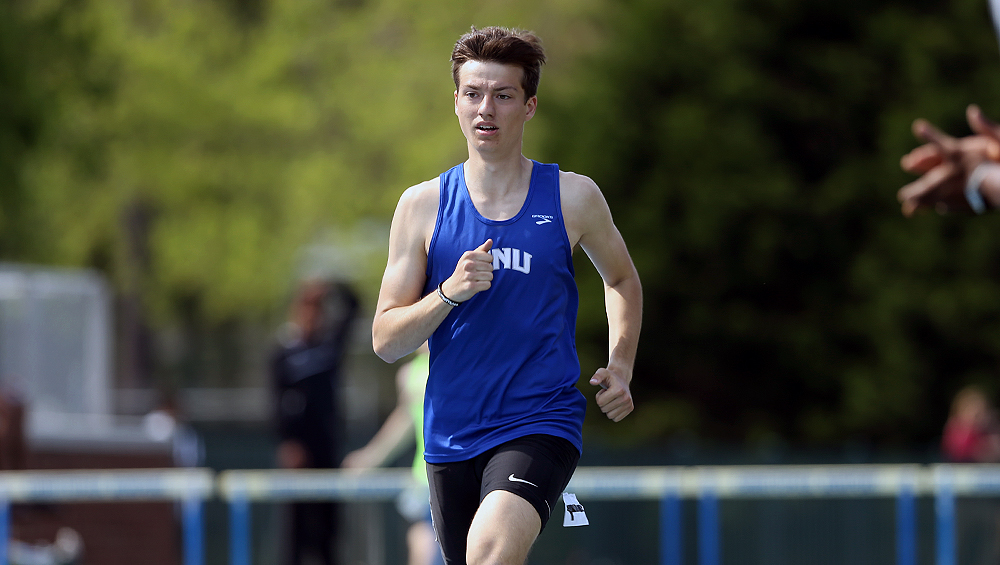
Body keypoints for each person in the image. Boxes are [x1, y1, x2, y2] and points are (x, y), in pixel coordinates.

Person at [371, 26, 642, 565]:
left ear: (529, 105)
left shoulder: (573, 197)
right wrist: (448, 292)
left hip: (540, 420)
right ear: (455, 102)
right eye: (472, 94)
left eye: (503, 95)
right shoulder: (422, 206)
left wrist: (621, 363)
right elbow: (384, 339)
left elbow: (622, 280)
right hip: (450, 434)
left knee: (490, 551)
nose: (485, 109)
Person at [272, 279, 359, 565]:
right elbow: (274, 402)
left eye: (316, 309)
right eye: (306, 308)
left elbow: (353, 306)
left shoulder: (329, 347)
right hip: (299, 453)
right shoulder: (283, 352)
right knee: (295, 531)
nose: (312, 315)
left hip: (327, 448)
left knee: (328, 532)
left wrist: (332, 285)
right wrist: (287, 443)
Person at [342, 343, 443, 565]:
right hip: (426, 479)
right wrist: (369, 458)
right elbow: (404, 421)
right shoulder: (409, 374)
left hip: (462, 475)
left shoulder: (458, 363)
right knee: (422, 540)